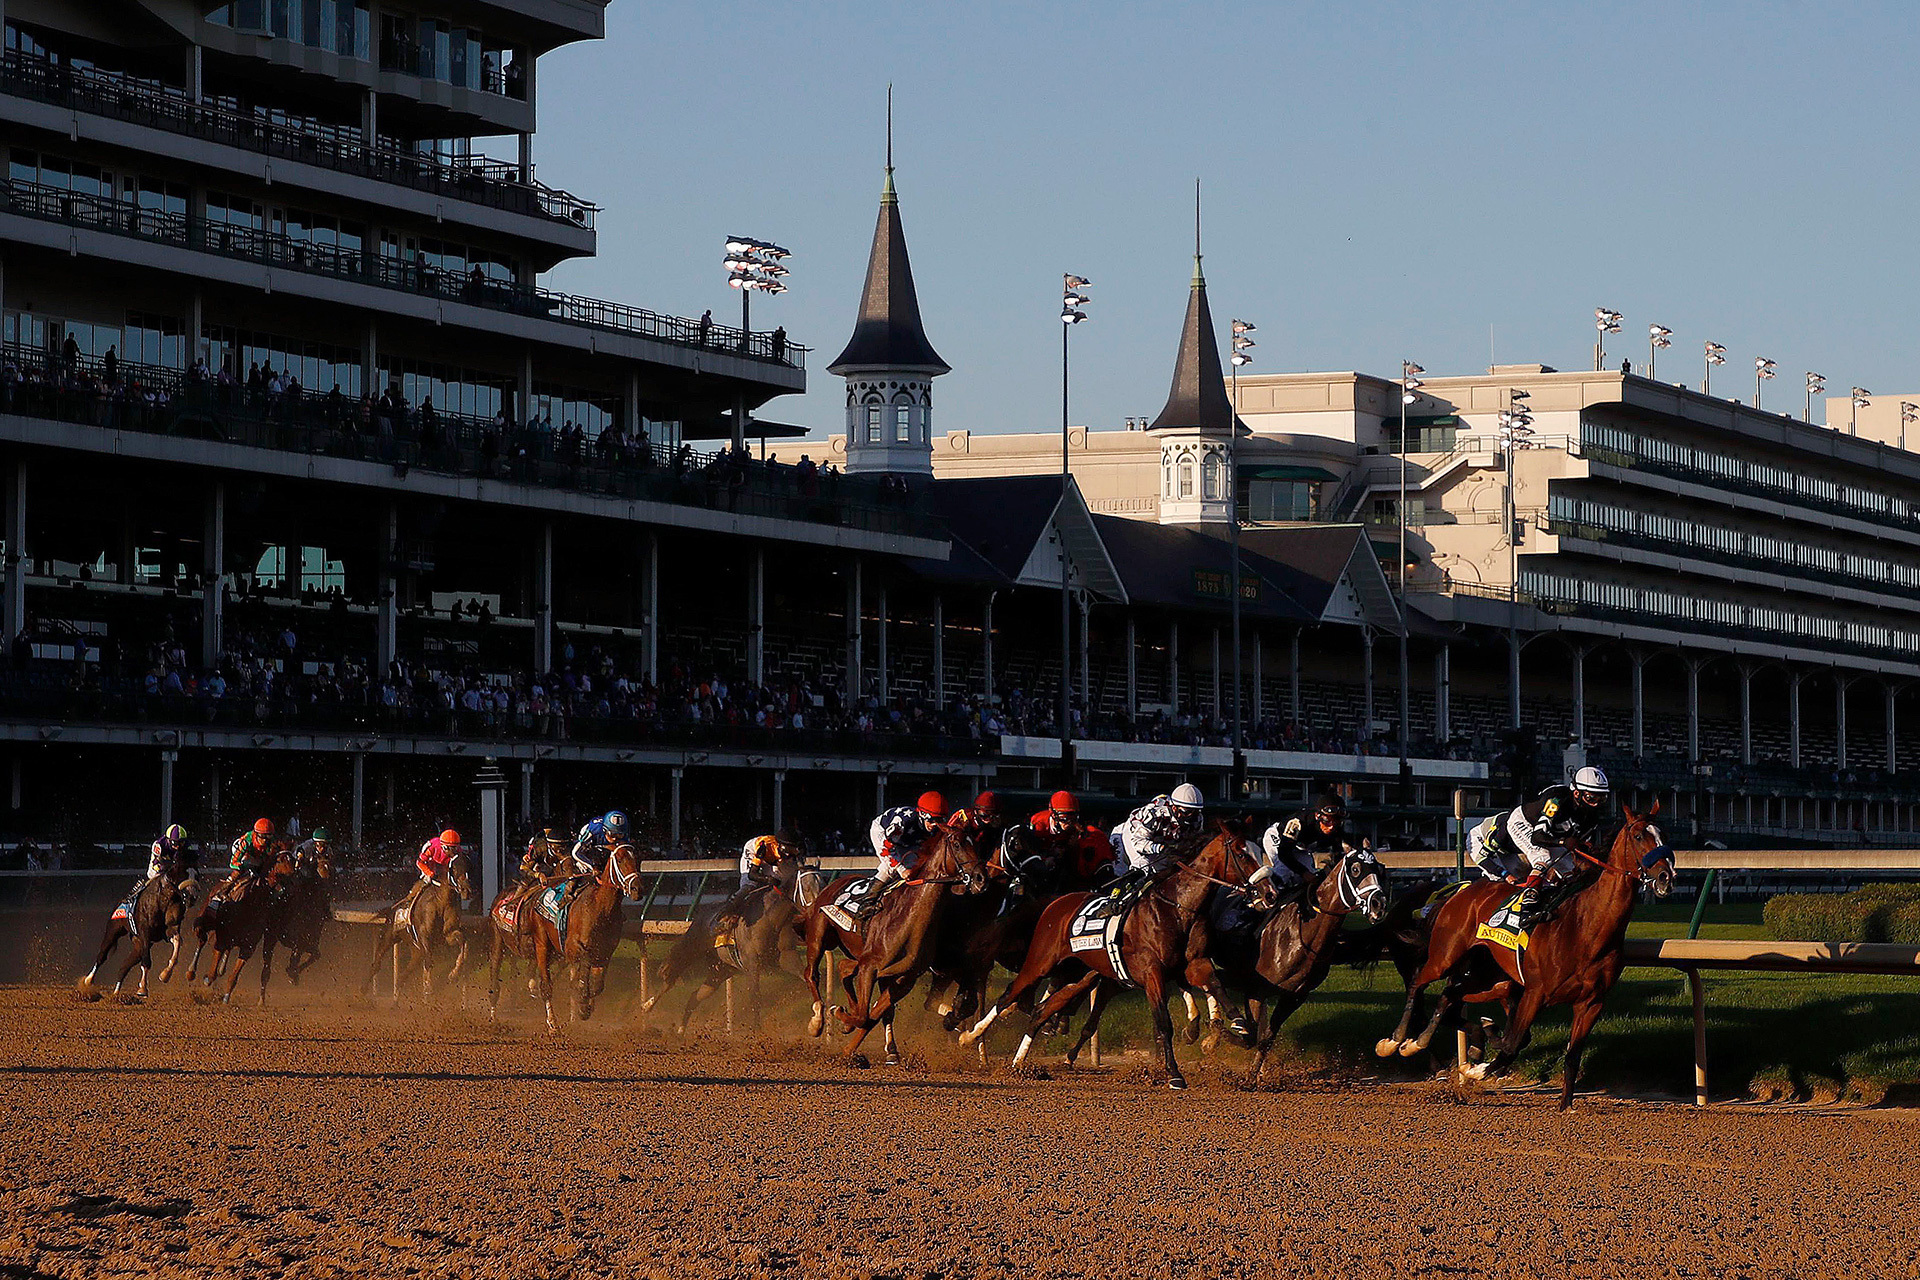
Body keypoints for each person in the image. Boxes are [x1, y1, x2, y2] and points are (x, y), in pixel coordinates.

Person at [1468, 766, 1614, 921]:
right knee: (1542, 856)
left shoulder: (1592, 818)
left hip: (1542, 836)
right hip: (1524, 823)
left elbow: (1575, 849)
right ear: (1576, 793)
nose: (1596, 805)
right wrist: (1564, 841)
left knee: (1569, 867)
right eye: (1592, 799)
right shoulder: (1557, 800)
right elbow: (1537, 837)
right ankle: (1528, 905)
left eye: (1601, 798)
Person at [850, 791, 948, 918]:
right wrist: (901, 870)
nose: (935, 825)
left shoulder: (934, 828)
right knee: (892, 868)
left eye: (940, 820)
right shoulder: (901, 824)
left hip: (908, 839)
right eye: (933, 820)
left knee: (915, 865)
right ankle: (867, 901)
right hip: (882, 833)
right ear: (923, 815)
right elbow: (886, 851)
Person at [1108, 783, 1207, 891]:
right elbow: (1138, 842)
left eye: (1195, 812)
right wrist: (1160, 848)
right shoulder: (1154, 814)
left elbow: (1195, 843)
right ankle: (1114, 900)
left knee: (1164, 870)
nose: (1191, 817)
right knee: (1141, 866)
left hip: (1158, 843)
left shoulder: (1197, 820)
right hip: (1129, 837)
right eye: (1187, 812)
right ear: (1174, 808)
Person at [1260, 792, 1357, 892]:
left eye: (1337, 822)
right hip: (1278, 838)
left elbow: (1339, 855)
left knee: (1310, 877)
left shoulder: (1337, 830)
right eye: (1327, 821)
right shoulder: (1298, 823)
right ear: (1317, 816)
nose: (1331, 827)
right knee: (1284, 869)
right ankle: (1261, 893)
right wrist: (1303, 872)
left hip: (1300, 847)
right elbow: (1284, 854)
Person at [714, 827, 803, 920]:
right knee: (750, 885)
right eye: (787, 852)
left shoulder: (795, 851)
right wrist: (767, 879)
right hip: (754, 853)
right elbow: (752, 875)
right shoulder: (763, 848)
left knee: (783, 884)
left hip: (773, 859)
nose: (788, 856)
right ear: (781, 846)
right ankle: (727, 912)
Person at [126, 823, 191, 903]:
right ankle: (135, 895)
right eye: (175, 843)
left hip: (174, 866)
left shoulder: (187, 846)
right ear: (168, 840)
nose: (178, 846)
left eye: (181, 843)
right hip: (159, 866)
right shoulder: (159, 845)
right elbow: (157, 864)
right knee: (157, 876)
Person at [569, 809, 631, 876]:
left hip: (601, 848)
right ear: (604, 830)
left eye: (619, 835)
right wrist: (592, 866)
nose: (615, 838)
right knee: (582, 869)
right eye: (612, 835)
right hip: (587, 847)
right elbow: (575, 852)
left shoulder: (624, 836)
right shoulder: (594, 831)